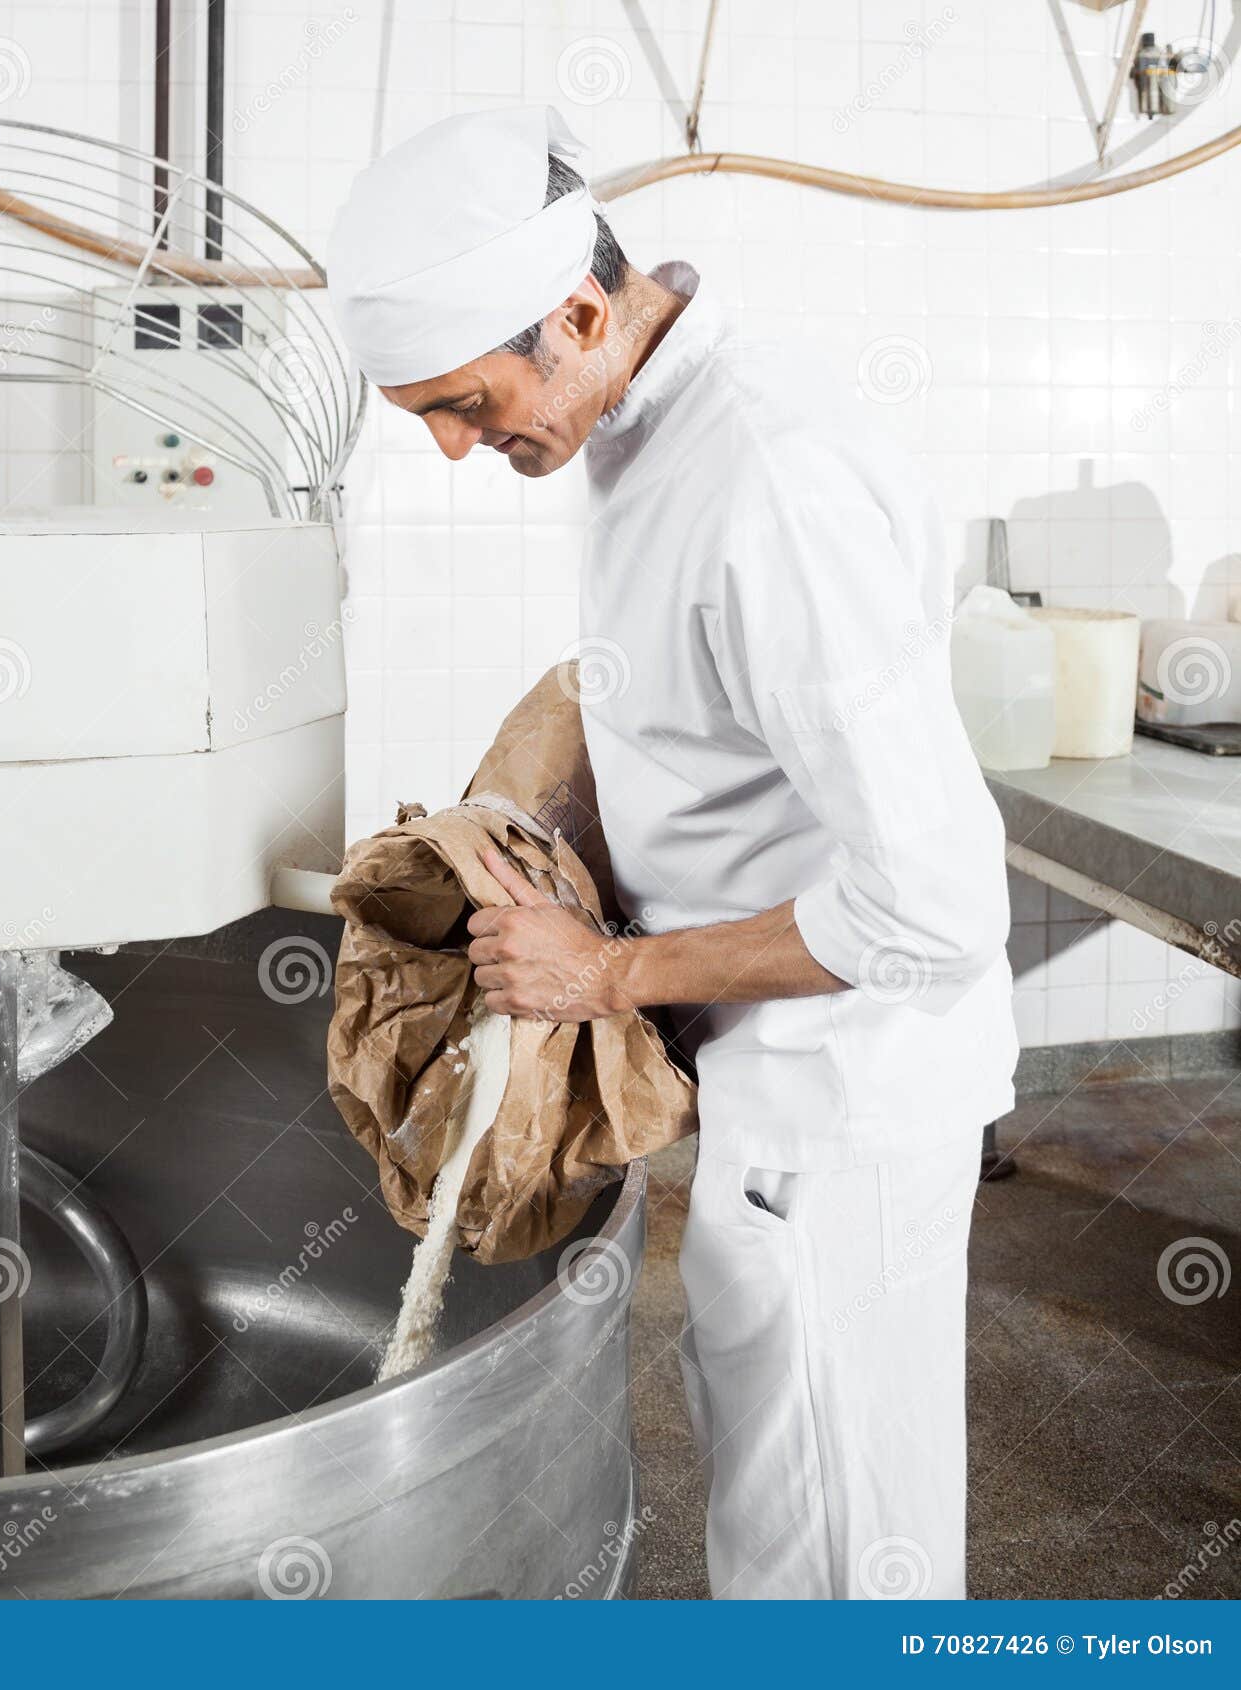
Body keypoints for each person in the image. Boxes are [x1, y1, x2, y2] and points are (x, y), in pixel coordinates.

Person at [326, 105, 1018, 1601]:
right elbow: (713, 706)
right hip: (768, 1082)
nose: (452, 445)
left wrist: (604, 973)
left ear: (579, 313)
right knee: (776, 1483)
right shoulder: (650, 425)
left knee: (835, 1551)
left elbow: (936, 901)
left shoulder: (764, 483)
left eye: (464, 402)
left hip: (842, 1097)